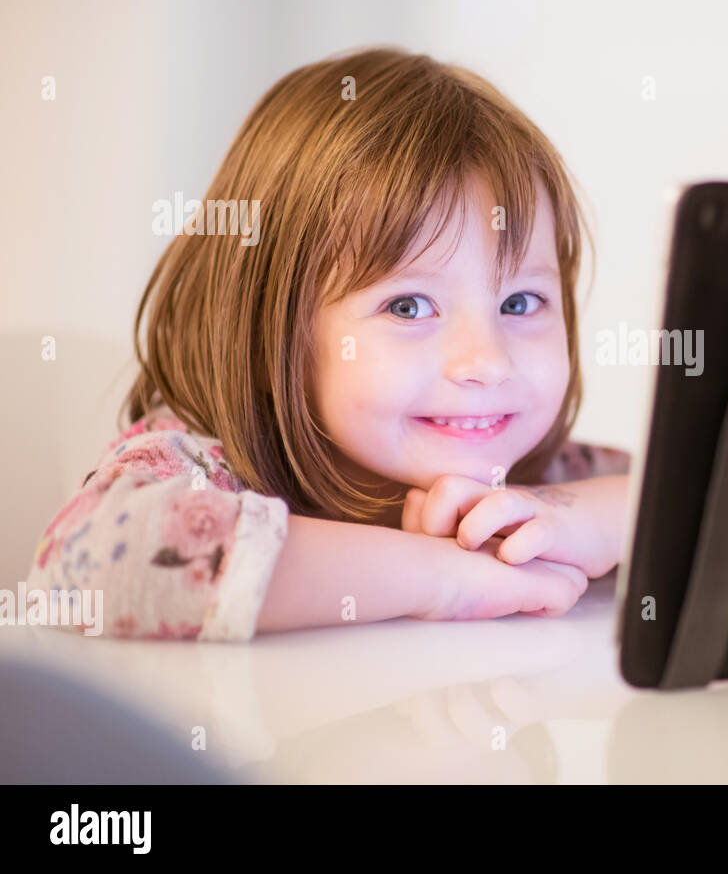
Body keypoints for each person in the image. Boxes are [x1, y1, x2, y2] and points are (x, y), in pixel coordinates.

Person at [28, 48, 631, 642]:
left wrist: (600, 518)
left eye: (520, 303)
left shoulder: (545, 476)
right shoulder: (208, 468)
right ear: (269, 334)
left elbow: (686, 494)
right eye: (408, 306)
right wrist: (441, 577)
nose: (488, 363)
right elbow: (88, 563)